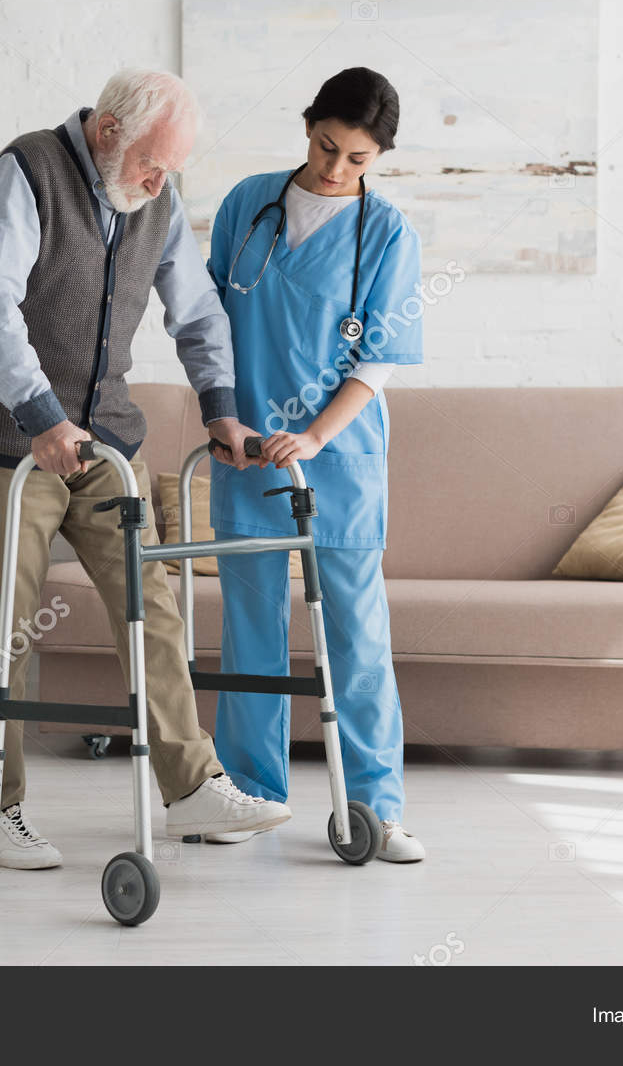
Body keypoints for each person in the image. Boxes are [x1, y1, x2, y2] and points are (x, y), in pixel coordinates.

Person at [0, 68, 286, 870]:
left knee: (151, 602)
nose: (161, 182)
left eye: (171, 170)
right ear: (105, 134)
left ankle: (192, 787)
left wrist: (221, 406)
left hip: (102, 437)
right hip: (6, 431)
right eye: (151, 165)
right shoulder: (26, 172)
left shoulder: (154, 200)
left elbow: (195, 308)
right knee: (0, 628)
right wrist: (40, 417)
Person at [204, 68, 426, 862]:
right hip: (249, 453)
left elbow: (380, 360)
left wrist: (320, 437)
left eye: (358, 160)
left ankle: (375, 808)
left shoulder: (388, 231)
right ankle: (250, 795)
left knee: (358, 642)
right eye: (328, 147)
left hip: (341, 460)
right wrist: (220, 414)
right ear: (308, 127)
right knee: (251, 634)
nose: (337, 170)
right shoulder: (246, 205)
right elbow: (209, 326)